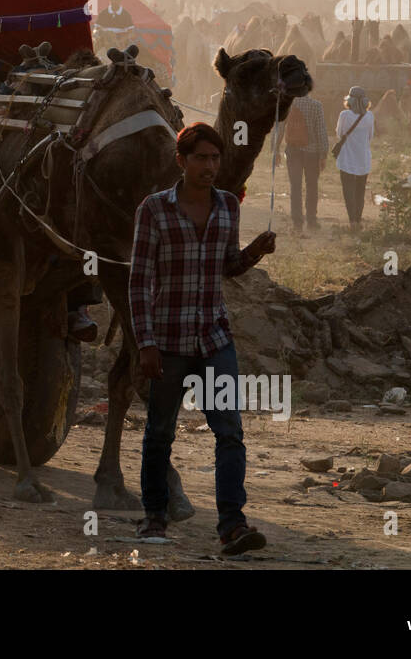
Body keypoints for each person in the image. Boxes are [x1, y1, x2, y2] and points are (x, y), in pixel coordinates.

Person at [129, 122, 276, 552]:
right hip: (168, 342)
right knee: (159, 433)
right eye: (201, 158)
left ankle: (232, 525)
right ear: (182, 161)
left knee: (229, 432)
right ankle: (154, 517)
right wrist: (146, 343)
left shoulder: (228, 206)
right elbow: (139, 281)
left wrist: (254, 252)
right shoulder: (154, 210)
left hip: (214, 337)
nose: (210, 166)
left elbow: (228, 266)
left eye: (215, 158)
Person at [281, 94, 328, 233]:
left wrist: (276, 149)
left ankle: (297, 222)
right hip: (312, 152)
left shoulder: (287, 104)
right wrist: (323, 154)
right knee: (312, 186)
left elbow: (280, 126)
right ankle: (312, 220)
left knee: (295, 186)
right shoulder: (316, 105)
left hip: (293, 150)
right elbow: (321, 131)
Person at [334, 86, 374, 232]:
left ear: (349, 100)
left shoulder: (344, 115)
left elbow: (339, 134)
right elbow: (370, 136)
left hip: (347, 160)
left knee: (348, 192)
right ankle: (358, 219)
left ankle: (352, 222)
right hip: (363, 159)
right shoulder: (370, 116)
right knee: (360, 192)